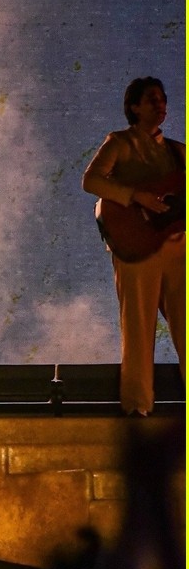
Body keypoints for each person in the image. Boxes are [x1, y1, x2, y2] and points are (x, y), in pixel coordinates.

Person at [82, 76, 185, 415]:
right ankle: (137, 409)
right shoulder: (120, 142)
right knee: (138, 326)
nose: (160, 104)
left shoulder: (178, 151)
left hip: (178, 247)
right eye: (152, 99)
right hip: (137, 245)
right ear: (134, 107)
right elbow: (91, 180)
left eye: (163, 98)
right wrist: (136, 196)